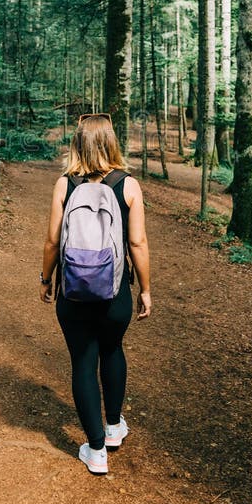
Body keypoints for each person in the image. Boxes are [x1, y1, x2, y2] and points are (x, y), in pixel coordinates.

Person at [39, 113, 151, 474]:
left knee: (83, 362)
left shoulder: (64, 185)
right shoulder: (128, 185)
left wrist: (46, 278)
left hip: (73, 292)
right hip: (114, 292)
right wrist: (146, 289)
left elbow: (53, 241)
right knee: (112, 350)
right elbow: (137, 242)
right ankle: (114, 427)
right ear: (111, 141)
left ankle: (96, 449)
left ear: (77, 143)